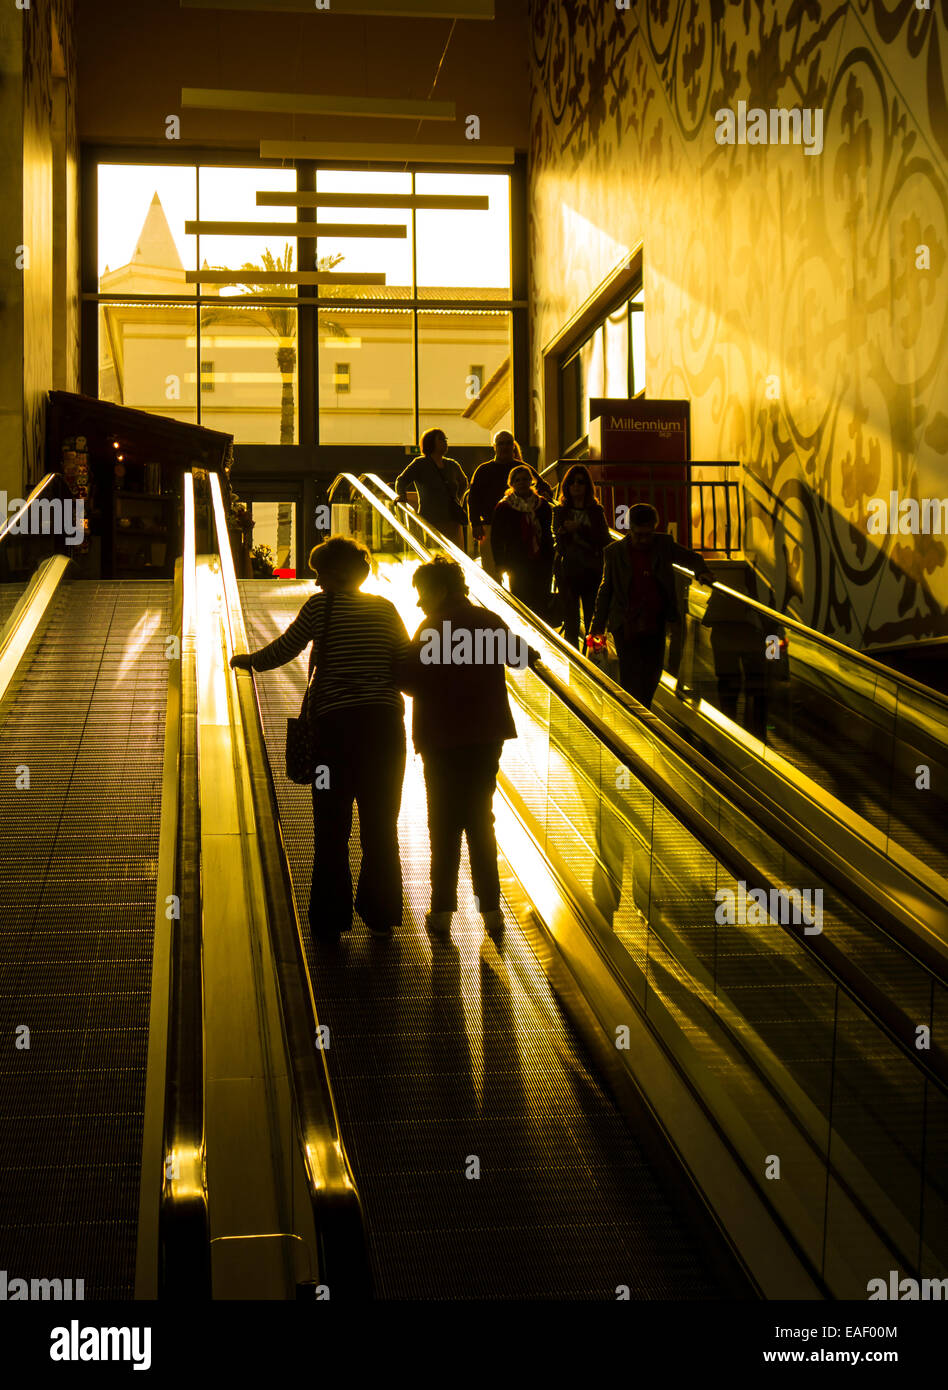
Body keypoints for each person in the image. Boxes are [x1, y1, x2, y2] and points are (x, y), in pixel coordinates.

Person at [230, 536, 409, 942]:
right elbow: (404, 662)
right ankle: (380, 914)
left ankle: (329, 918)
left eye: (321, 573)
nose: (316, 583)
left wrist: (249, 661)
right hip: (384, 732)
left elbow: (287, 648)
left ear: (340, 573)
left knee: (331, 826)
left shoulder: (320, 607)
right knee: (381, 825)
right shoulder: (385, 609)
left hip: (335, 733)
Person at [397, 556, 538, 940]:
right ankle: (490, 911)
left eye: (422, 593)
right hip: (485, 736)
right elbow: (523, 657)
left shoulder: (431, 627)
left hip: (441, 738)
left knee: (442, 822)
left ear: (440, 589)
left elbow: (407, 679)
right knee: (480, 820)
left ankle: (442, 910)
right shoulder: (487, 620)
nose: (419, 603)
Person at [589, 502, 714, 708]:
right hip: (625, 622)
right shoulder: (614, 552)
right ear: (629, 530)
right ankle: (639, 715)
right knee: (630, 674)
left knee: (653, 673)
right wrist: (597, 626)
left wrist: (702, 571)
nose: (644, 540)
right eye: (639, 535)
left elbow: (691, 558)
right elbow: (606, 590)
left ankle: (642, 711)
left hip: (655, 621)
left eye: (648, 534)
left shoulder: (663, 544)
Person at [467, 431, 551, 580]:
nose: (504, 447)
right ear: (494, 446)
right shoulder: (483, 470)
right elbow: (473, 499)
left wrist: (542, 496)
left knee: (518, 573)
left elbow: (544, 488)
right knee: (491, 575)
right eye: (500, 443)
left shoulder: (522, 468)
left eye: (508, 443)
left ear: (513, 446)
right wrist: (475, 524)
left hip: (518, 529)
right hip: (489, 526)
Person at [552, 464, 611, 649]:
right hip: (568, 570)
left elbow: (604, 539)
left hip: (591, 571)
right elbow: (558, 539)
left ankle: (595, 656)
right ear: (567, 486)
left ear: (588, 486)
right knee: (571, 620)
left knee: (594, 619)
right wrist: (564, 532)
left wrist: (580, 529)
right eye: (572, 482)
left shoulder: (596, 511)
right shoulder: (560, 511)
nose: (576, 486)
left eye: (581, 482)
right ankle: (573, 661)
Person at [488, 465, 555, 618]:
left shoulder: (542, 505)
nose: (521, 483)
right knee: (520, 603)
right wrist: (499, 563)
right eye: (517, 480)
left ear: (531, 481)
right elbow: (496, 538)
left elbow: (547, 533)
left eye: (525, 479)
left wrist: (550, 557)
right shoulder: (504, 507)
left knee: (541, 604)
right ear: (511, 484)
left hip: (541, 562)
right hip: (517, 562)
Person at [394, 428, 468, 547]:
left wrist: (457, 499)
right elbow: (401, 480)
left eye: (445, 439)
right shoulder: (420, 464)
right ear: (430, 442)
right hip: (431, 520)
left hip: (452, 519)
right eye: (441, 439)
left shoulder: (452, 465)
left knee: (455, 554)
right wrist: (402, 495)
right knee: (435, 551)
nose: (445, 442)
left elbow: (464, 482)